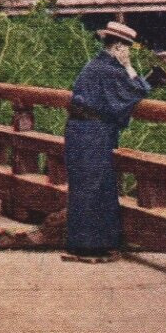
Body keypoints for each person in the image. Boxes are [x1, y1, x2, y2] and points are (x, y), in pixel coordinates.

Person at [62, 21, 153, 263]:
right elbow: (138, 91)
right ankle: (92, 246)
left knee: (85, 185)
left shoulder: (96, 65)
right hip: (93, 132)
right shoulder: (109, 70)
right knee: (95, 186)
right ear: (119, 48)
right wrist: (130, 67)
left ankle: (84, 244)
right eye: (127, 48)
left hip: (81, 130)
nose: (129, 53)